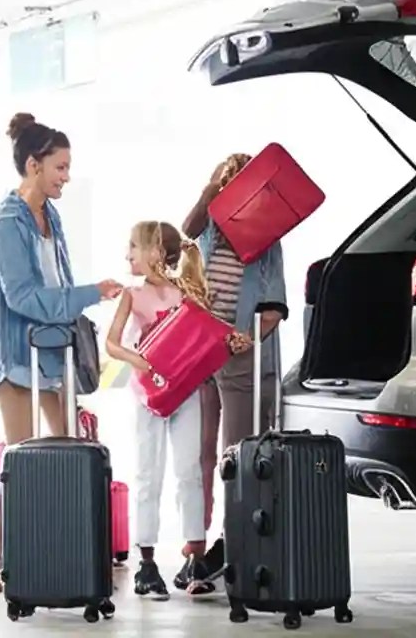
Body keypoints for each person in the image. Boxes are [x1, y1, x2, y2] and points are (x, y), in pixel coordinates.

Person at [0, 112, 123, 593]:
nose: (66, 176)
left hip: (54, 352)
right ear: (34, 164)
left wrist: (76, 299)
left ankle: (63, 545)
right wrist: (86, 294)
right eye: (60, 167)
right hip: (16, 351)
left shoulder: (51, 216)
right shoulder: (4, 223)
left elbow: (55, 280)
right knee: (19, 459)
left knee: (70, 449)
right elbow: (20, 296)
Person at [104, 221, 237, 599]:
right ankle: (147, 562)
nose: (127, 253)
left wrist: (231, 339)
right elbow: (112, 344)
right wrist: (140, 361)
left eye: (133, 246)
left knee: (189, 471)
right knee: (149, 471)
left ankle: (193, 556)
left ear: (156, 253)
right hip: (149, 394)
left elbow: (206, 335)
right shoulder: (132, 295)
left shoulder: (185, 294)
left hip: (186, 391)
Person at [181, 152, 289, 593]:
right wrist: (209, 192)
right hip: (202, 352)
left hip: (243, 357)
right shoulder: (206, 232)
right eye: (229, 190)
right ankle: (199, 552)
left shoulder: (267, 238)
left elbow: (274, 306)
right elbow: (186, 232)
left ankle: (234, 548)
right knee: (202, 454)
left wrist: (246, 337)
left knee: (237, 455)